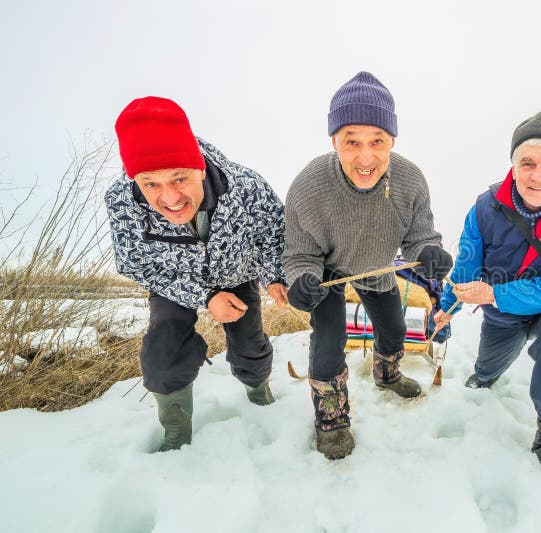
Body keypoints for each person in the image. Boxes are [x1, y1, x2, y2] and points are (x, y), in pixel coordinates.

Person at [283, 72, 452, 460]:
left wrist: (429, 252)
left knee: (393, 329)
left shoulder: (410, 180)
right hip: (325, 271)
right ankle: (332, 417)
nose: (365, 156)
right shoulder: (308, 188)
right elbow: (298, 255)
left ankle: (387, 373)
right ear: (334, 141)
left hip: (378, 264)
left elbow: (420, 235)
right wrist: (301, 280)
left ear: (392, 140)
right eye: (351, 141)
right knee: (329, 340)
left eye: (377, 141)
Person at [106, 96, 288, 452]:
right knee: (162, 348)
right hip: (174, 279)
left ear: (200, 168)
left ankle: (258, 391)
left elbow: (274, 234)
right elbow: (134, 262)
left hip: (237, 271)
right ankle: (175, 425)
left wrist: (275, 275)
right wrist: (204, 296)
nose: (170, 197)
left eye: (179, 178)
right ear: (136, 180)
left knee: (249, 343)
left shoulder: (246, 186)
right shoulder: (121, 200)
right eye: (151, 184)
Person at [435, 112, 541, 482]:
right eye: (526, 163)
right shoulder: (485, 207)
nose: (537, 175)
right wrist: (446, 307)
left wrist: (495, 294)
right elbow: (466, 268)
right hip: (503, 315)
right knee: (488, 367)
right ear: (512, 166)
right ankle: (484, 377)